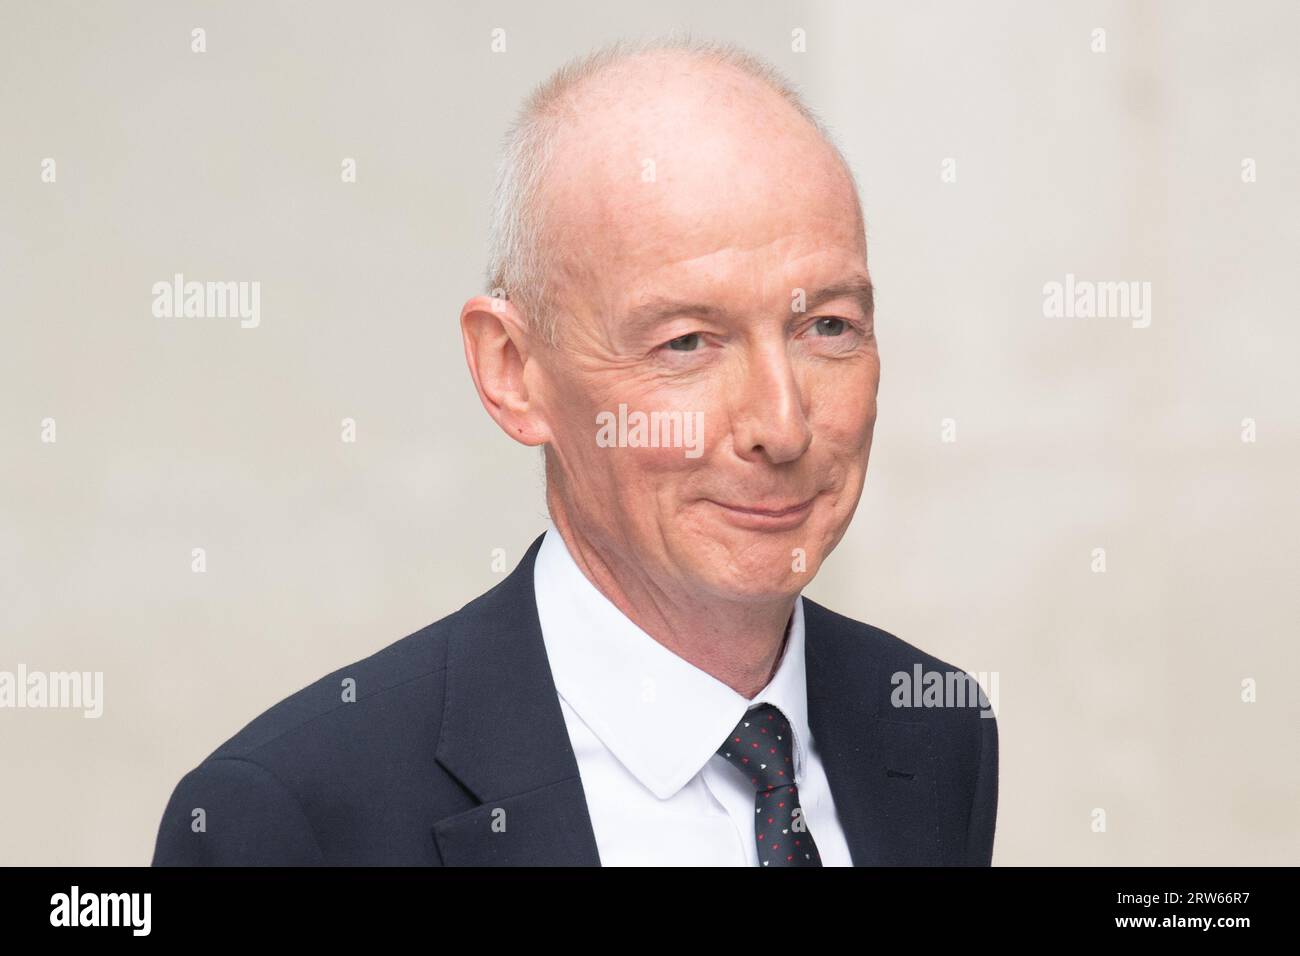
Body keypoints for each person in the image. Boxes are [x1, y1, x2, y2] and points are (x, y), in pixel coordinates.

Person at [152, 34, 997, 867]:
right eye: (689, 343)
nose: (781, 425)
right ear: (514, 372)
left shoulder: (935, 729)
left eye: (828, 327)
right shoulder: (294, 821)